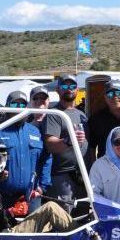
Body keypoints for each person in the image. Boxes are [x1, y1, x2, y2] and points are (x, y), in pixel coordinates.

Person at [0, 90, 52, 213]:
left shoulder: (35, 131)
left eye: (22, 105)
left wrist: (42, 186)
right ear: (7, 106)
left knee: (33, 231)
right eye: (15, 104)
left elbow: (47, 157)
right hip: (4, 197)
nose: (19, 108)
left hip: (32, 197)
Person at [42, 75, 88, 204]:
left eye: (72, 86)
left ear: (77, 90)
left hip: (82, 174)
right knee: (63, 219)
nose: (69, 89)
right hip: (62, 176)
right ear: (58, 90)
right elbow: (50, 144)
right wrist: (69, 140)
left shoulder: (82, 115)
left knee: (83, 216)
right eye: (64, 86)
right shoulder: (54, 114)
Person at [87, 79, 120, 160]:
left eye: (118, 93)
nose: (114, 97)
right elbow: (91, 148)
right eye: (110, 94)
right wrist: (93, 167)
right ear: (105, 97)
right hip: (106, 168)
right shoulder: (95, 119)